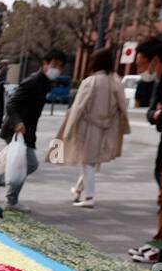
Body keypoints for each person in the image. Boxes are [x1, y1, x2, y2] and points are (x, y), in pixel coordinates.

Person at [0, 48, 65, 209]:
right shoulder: (33, 82)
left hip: (26, 129)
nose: (57, 69)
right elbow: (11, 103)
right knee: (30, 163)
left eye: (60, 66)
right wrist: (18, 123)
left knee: (19, 163)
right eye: (54, 65)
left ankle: (7, 194)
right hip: (17, 128)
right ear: (45, 64)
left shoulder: (44, 83)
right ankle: (1, 186)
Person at [52, 49, 129, 209]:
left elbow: (78, 107)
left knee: (88, 161)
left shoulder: (91, 81)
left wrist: (68, 130)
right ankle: (78, 189)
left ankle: (89, 196)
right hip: (107, 128)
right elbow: (122, 107)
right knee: (92, 161)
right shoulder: (116, 81)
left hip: (88, 128)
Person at [129, 39, 162, 262]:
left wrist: (158, 115)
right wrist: (156, 114)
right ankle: (161, 242)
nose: (141, 70)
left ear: (155, 60)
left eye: (142, 65)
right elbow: (154, 113)